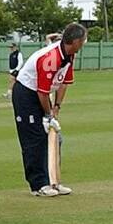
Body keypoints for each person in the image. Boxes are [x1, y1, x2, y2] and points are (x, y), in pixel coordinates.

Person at [12, 23, 86, 196]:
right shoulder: (51, 58)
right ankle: (38, 185)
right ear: (74, 41)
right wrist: (47, 114)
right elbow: (42, 92)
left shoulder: (70, 54)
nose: (84, 42)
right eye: (83, 39)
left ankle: (54, 181)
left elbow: (63, 83)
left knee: (55, 137)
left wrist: (56, 109)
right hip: (26, 93)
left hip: (43, 95)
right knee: (35, 138)